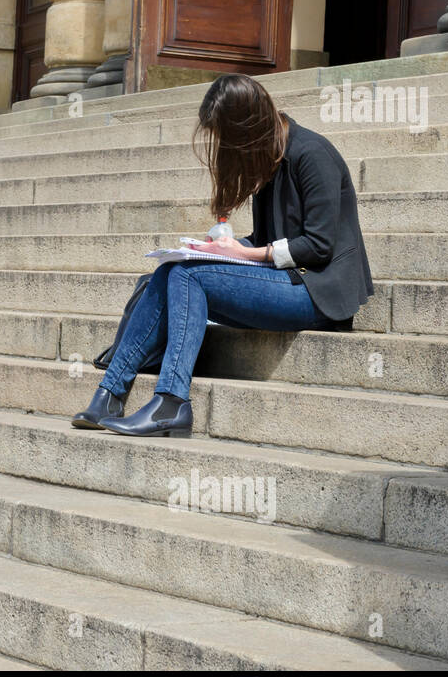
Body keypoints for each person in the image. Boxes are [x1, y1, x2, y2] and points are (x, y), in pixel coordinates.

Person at [71, 73, 374, 437]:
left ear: (248, 127)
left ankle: (170, 402)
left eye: (228, 136)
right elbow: (267, 240)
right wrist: (218, 249)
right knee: (174, 269)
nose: (226, 147)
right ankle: (110, 393)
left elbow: (319, 246)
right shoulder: (271, 158)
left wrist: (242, 255)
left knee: (187, 276)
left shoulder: (312, 155)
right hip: (289, 281)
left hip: (318, 292)